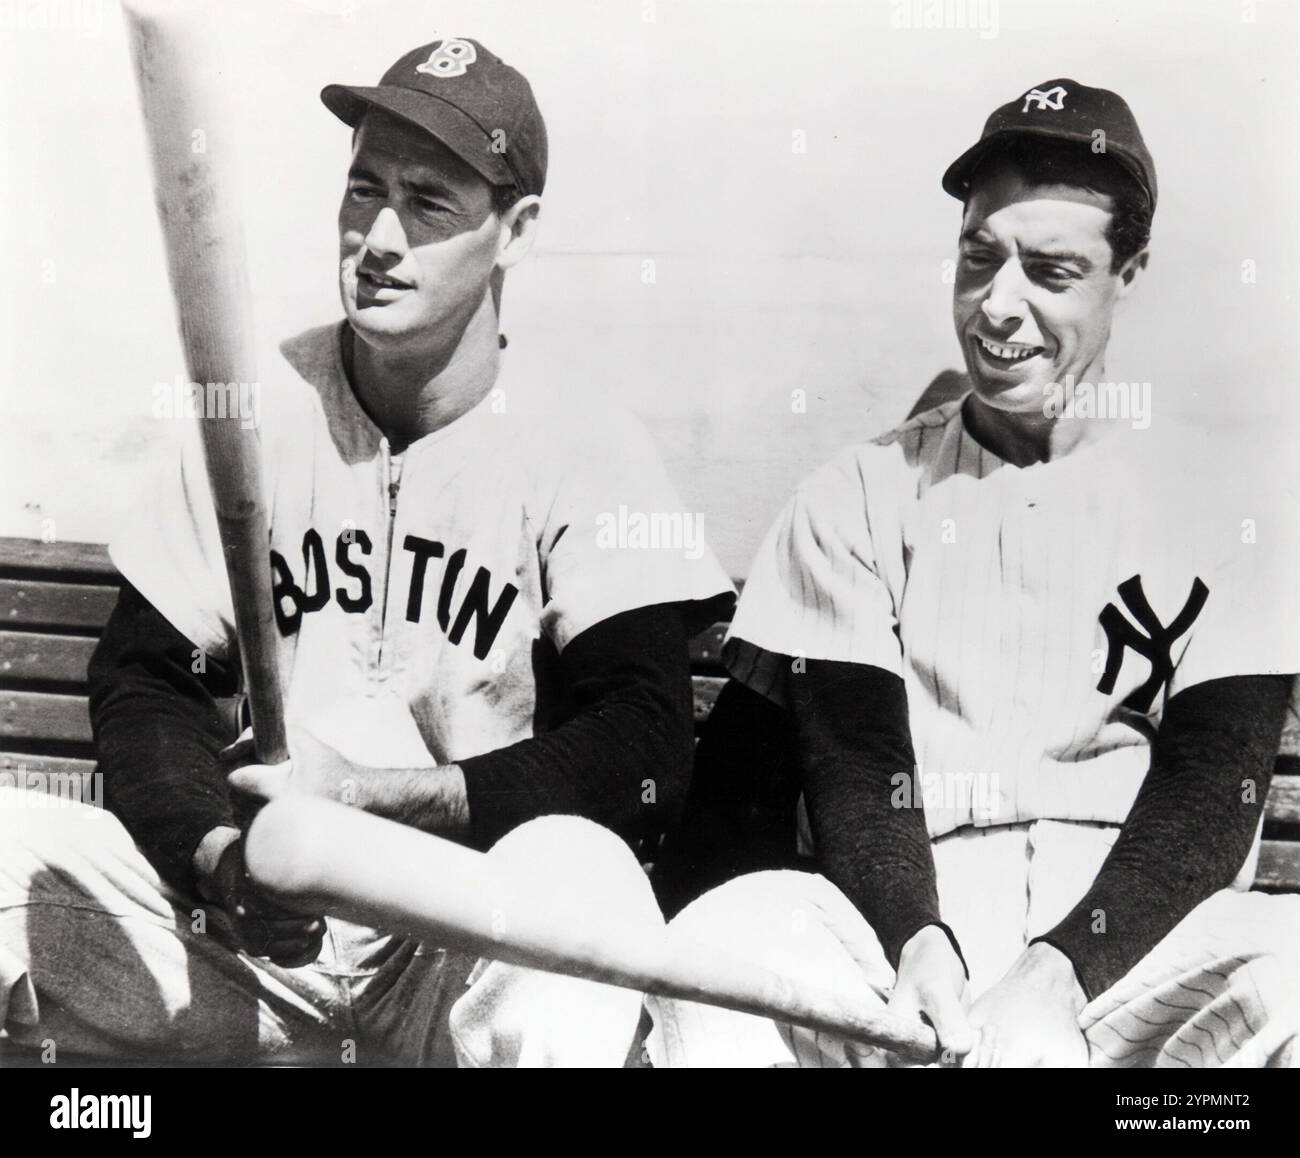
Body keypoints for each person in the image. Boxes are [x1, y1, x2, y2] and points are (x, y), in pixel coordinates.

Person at [0, 37, 732, 1068]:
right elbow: (143, 681)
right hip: (252, 943)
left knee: (584, 871)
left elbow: (645, 743)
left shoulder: (583, 445)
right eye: (362, 191)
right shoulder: (254, 409)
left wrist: (375, 799)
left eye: (428, 204)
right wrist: (217, 859)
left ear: (513, 231)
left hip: (448, 947)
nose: (378, 237)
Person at [646, 79, 1300, 1068]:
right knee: (718, 946)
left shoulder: (1221, 509)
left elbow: (1215, 790)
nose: (999, 307)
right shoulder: (857, 495)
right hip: (902, 941)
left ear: (1129, 272)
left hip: (1130, 958)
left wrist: (1056, 976)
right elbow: (858, 762)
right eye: (978, 257)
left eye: (1050, 270)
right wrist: (920, 944)